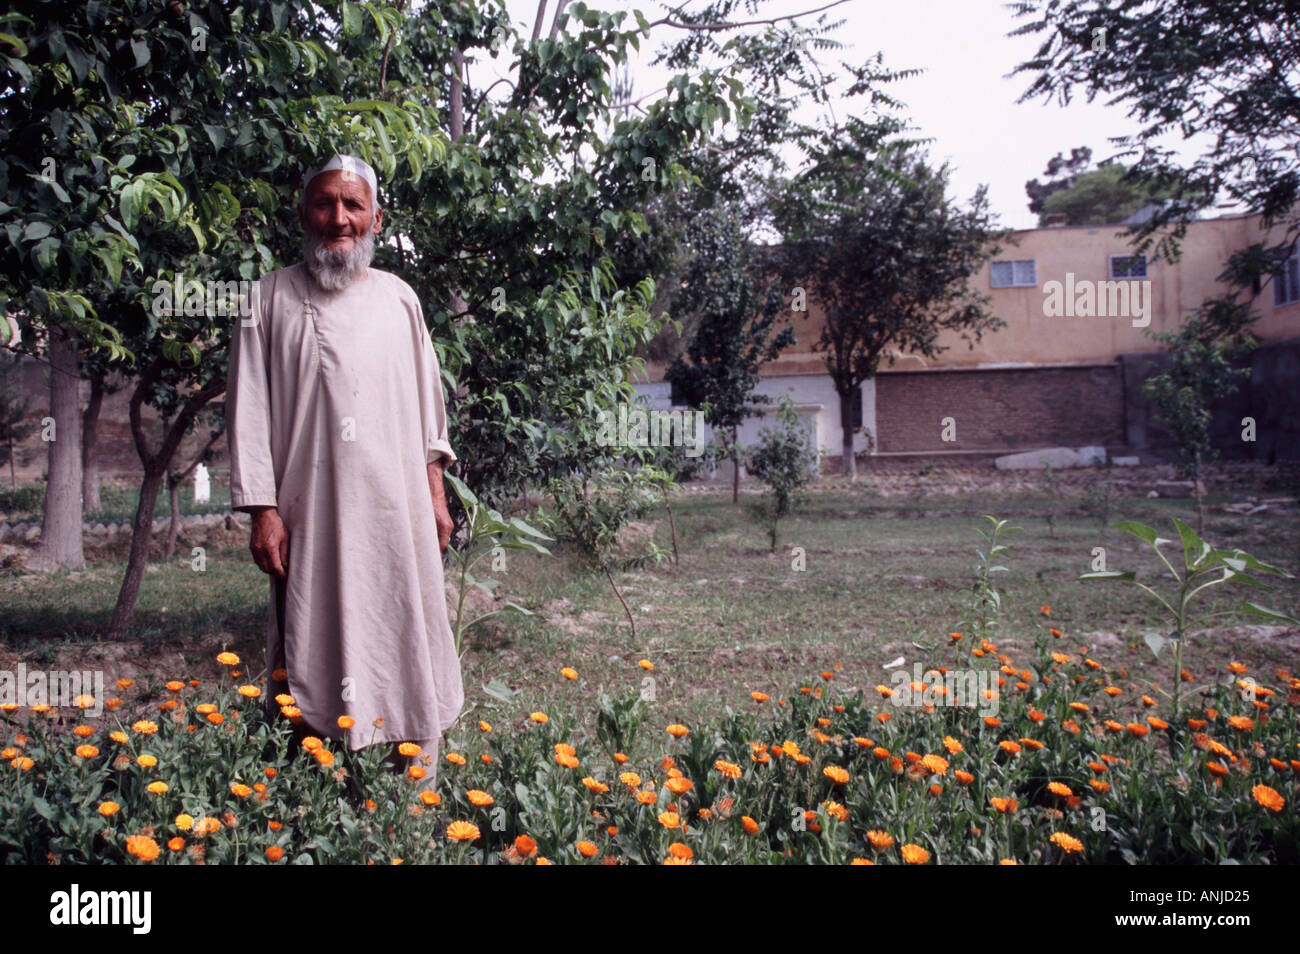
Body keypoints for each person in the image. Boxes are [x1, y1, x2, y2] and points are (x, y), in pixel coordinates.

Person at [226, 154, 462, 795]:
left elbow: (427, 413)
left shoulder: (399, 300)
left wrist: (437, 497)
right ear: (304, 214)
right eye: (326, 203)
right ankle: (311, 798)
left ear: (376, 218)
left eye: (353, 206)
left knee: (404, 632)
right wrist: (262, 509)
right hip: (310, 515)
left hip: (398, 513)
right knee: (308, 638)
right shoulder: (267, 298)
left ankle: (410, 795)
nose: (339, 218)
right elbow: (248, 412)